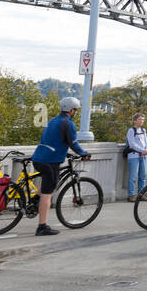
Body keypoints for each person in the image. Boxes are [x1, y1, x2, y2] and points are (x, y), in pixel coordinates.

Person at [31, 96, 91, 236]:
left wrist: (65, 154)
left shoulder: (53, 121)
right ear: (71, 110)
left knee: (49, 182)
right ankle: (42, 227)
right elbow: (74, 143)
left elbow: (54, 140)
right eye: (75, 110)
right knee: (48, 193)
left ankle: (34, 200)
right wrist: (84, 153)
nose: (75, 112)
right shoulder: (68, 123)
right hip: (49, 161)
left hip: (39, 158)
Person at [125, 113, 147, 201]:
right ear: (135, 120)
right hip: (134, 156)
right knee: (133, 176)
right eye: (139, 119)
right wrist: (141, 150)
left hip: (143, 156)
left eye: (143, 119)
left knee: (143, 175)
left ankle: (141, 194)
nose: (141, 121)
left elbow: (146, 142)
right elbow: (132, 144)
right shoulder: (131, 130)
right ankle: (131, 195)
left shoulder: (144, 130)